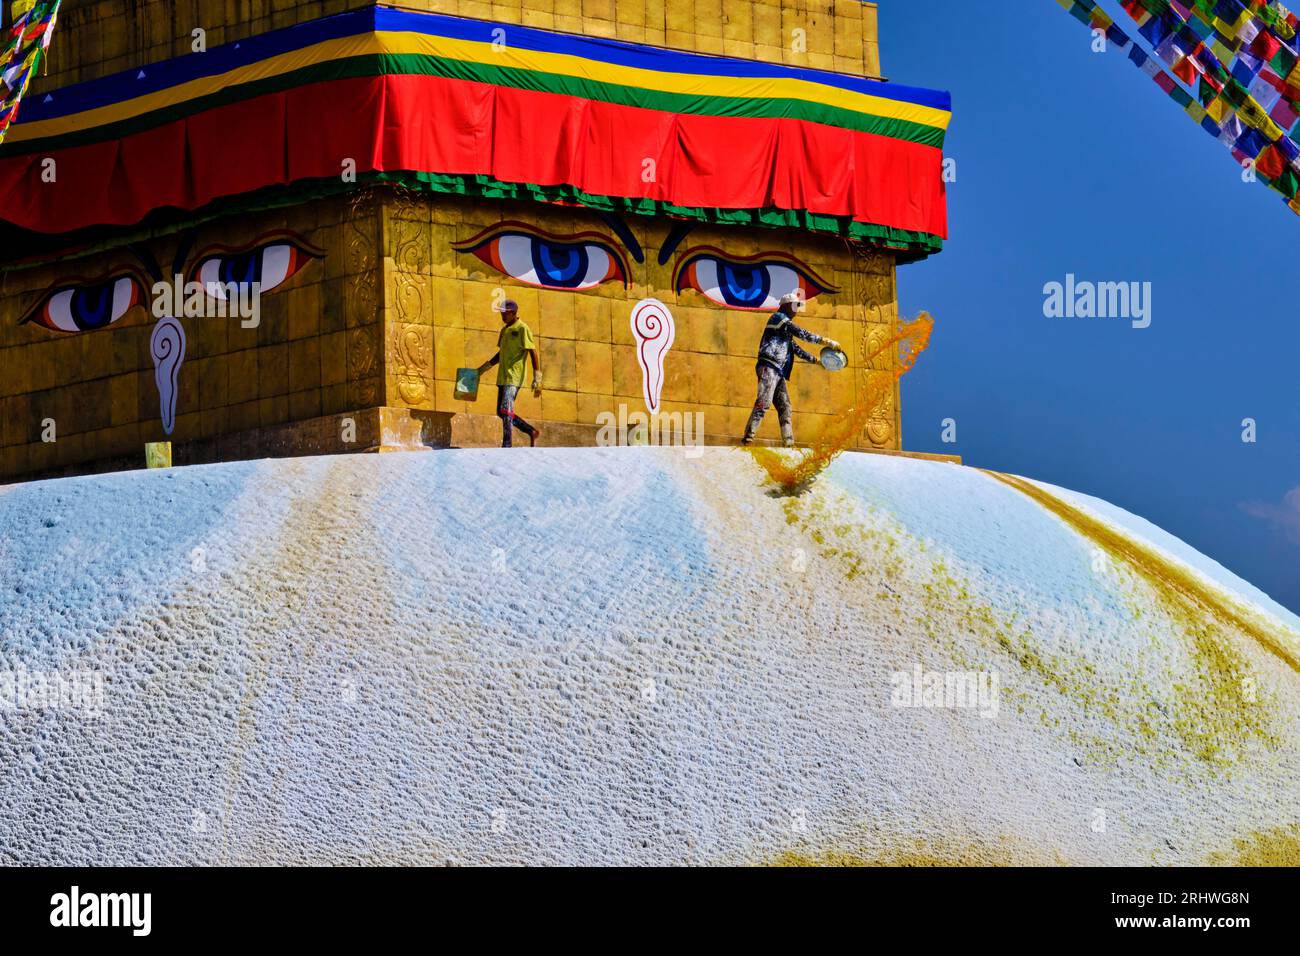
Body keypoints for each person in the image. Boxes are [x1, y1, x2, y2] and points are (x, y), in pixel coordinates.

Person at [741, 292, 840, 447]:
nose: (796, 310)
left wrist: (816, 361)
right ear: (785, 305)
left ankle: (788, 442)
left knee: (785, 406)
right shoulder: (778, 318)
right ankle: (748, 437)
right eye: (794, 306)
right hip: (768, 366)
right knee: (764, 402)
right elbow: (801, 333)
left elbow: (796, 349)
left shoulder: (784, 330)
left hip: (778, 371)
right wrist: (824, 341)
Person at [476, 299, 543, 447]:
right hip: (503, 376)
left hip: (514, 376)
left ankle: (507, 445)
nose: (502, 316)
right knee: (501, 412)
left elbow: (532, 352)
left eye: (505, 313)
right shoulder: (504, 330)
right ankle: (531, 431)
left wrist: (537, 378)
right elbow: (501, 354)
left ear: (513, 313)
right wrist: (483, 368)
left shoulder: (522, 328)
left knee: (506, 409)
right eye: (501, 313)